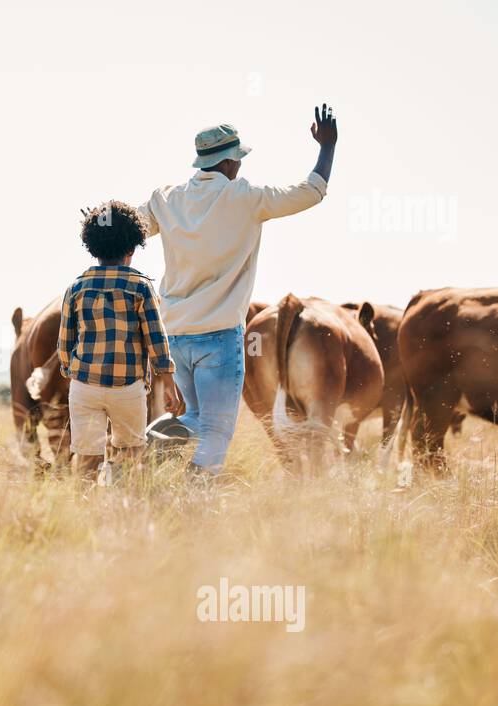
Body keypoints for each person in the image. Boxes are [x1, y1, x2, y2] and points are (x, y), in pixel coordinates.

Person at [135, 105, 338, 476]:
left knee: (194, 417)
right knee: (217, 429)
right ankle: (195, 492)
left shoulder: (166, 199)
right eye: (238, 161)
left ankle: (152, 440)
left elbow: (129, 225)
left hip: (174, 334)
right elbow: (312, 191)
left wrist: (99, 216)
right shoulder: (246, 198)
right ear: (230, 162)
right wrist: (328, 147)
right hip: (218, 337)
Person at [58, 201, 177, 483]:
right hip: (128, 388)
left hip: (85, 385)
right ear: (131, 249)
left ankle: (85, 511)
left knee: (87, 458)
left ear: (92, 247)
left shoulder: (76, 287)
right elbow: (156, 340)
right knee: (132, 454)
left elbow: (64, 344)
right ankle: (128, 511)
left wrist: (71, 373)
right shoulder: (140, 287)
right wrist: (168, 380)